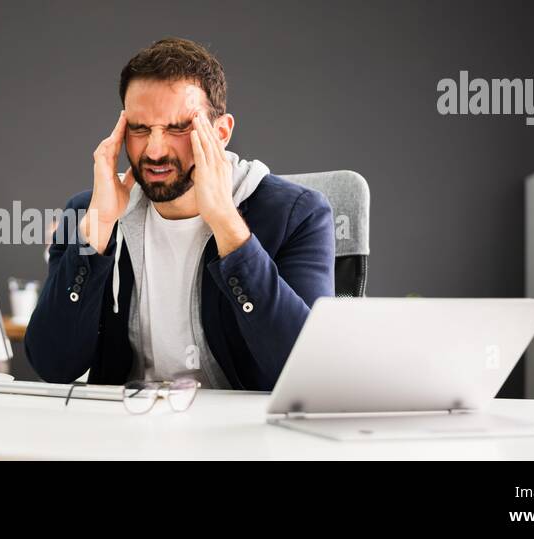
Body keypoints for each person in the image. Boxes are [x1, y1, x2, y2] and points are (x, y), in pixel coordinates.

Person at [24, 37, 335, 391]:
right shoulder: (89, 212)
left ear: (220, 133)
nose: (155, 151)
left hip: (237, 438)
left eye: (178, 129)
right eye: (140, 129)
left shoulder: (297, 214)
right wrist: (97, 232)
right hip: (123, 433)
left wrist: (228, 226)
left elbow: (304, 372)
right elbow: (53, 365)